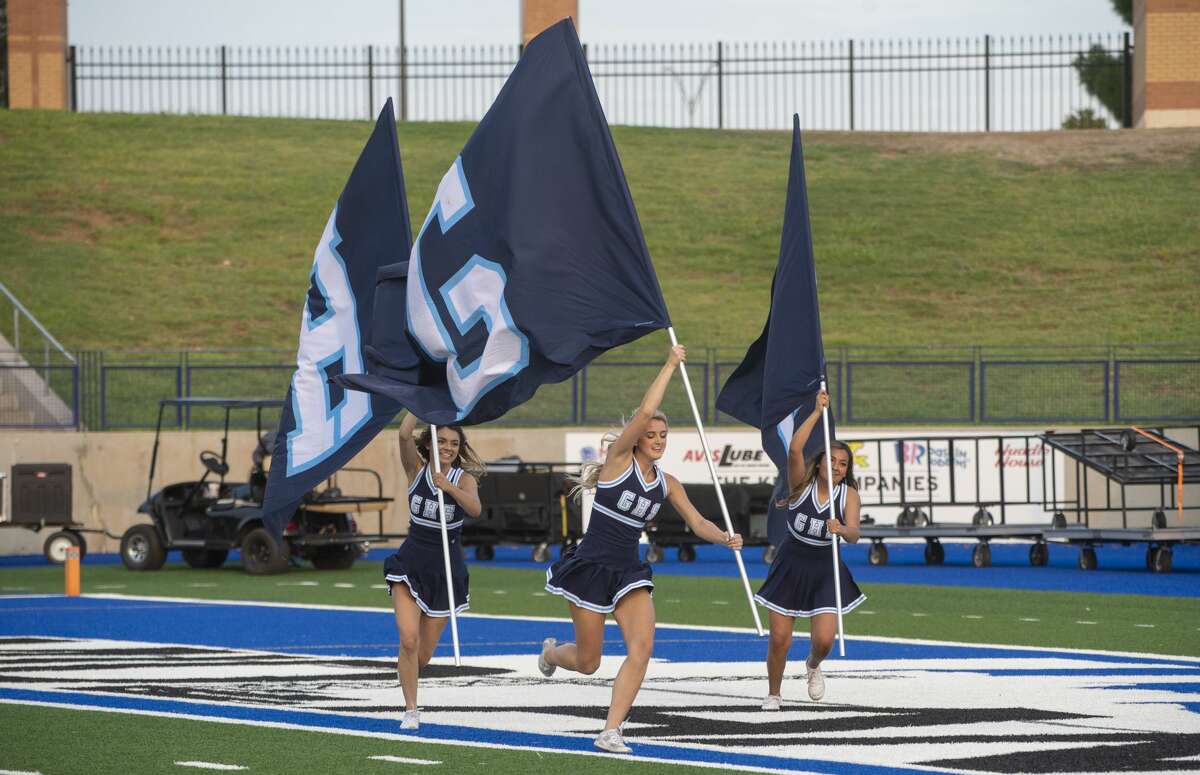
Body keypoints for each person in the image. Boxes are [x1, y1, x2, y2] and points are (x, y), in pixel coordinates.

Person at [538, 345, 744, 754]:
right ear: (636, 438)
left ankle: (611, 730)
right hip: (591, 567)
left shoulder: (667, 483)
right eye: (650, 435)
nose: (658, 441)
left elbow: (697, 522)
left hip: (628, 573)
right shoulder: (618, 461)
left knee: (642, 648)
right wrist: (669, 364)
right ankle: (551, 654)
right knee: (588, 663)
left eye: (663, 436)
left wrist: (724, 536)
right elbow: (646, 410)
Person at [755, 389, 865, 709]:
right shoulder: (801, 483)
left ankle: (813, 664)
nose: (837, 467)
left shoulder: (848, 496)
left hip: (825, 566)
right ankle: (774, 693)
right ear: (819, 464)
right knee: (780, 638)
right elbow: (794, 449)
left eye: (843, 464)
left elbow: (855, 534)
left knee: (824, 640)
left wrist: (841, 529)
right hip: (791, 561)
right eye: (832, 460)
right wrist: (817, 411)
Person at [385, 412, 486, 731]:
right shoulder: (416, 470)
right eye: (441, 441)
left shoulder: (463, 479)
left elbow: (475, 509)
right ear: (429, 444)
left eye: (454, 443)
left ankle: (407, 669)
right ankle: (411, 709)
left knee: (422, 655)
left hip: (446, 569)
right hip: (410, 563)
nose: (448, 447)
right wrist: (421, 403)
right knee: (409, 639)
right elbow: (403, 435)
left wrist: (449, 487)